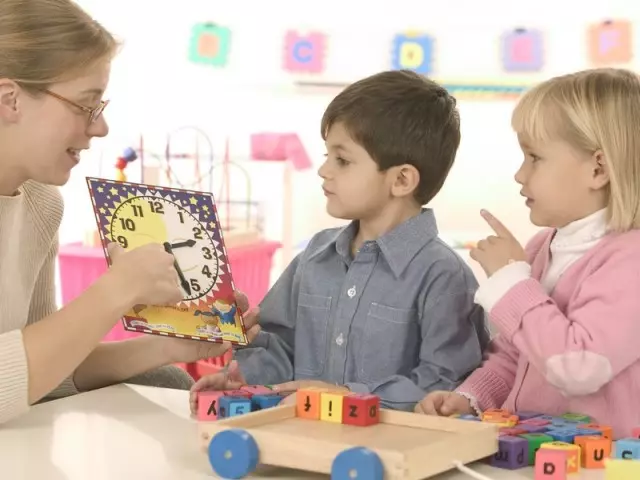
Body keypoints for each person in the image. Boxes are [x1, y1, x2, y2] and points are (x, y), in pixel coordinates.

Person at [0, 0, 260, 425]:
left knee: (168, 377)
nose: (100, 127)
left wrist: (175, 345)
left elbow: (43, 374)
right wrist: (115, 290)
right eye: (86, 105)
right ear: (10, 100)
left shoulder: (41, 205)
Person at [190, 69, 490, 414]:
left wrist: (344, 396)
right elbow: (279, 347)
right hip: (299, 439)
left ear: (402, 179)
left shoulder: (443, 275)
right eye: (326, 156)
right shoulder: (315, 257)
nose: (324, 171)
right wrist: (244, 377)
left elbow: (444, 383)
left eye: (342, 160)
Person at [415, 68, 640, 440]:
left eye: (534, 157)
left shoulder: (630, 260)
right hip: (532, 451)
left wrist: (509, 283)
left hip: (599, 463)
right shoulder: (541, 248)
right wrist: (472, 397)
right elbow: (515, 355)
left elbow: (578, 367)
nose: (520, 174)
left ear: (598, 168)